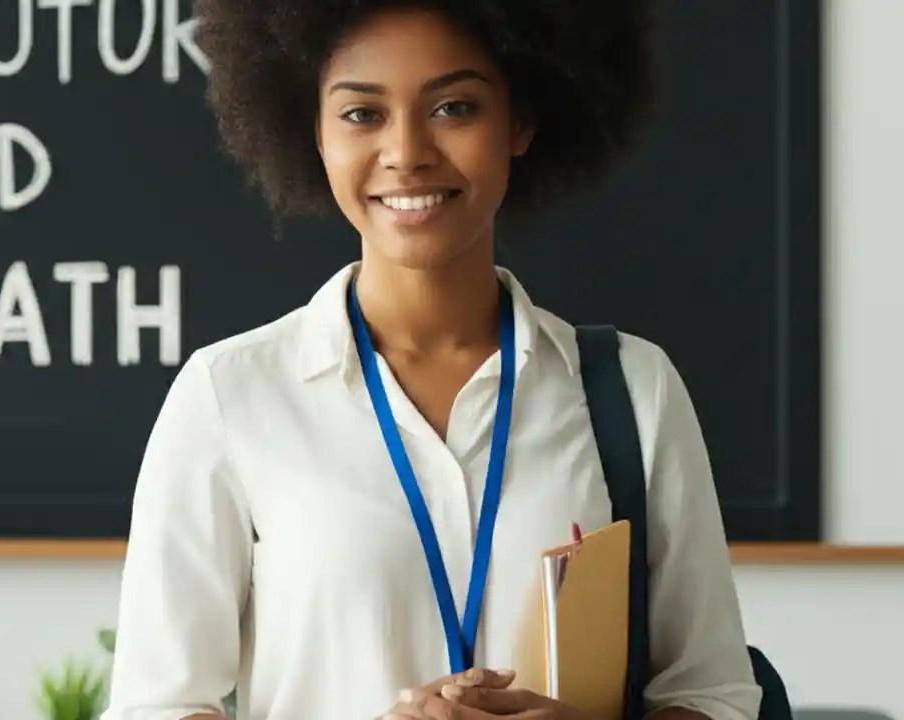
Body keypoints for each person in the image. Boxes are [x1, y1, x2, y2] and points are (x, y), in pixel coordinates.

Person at [100, 1, 762, 718]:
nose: (408, 150)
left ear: (521, 120)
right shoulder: (230, 396)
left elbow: (714, 695)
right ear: (311, 132)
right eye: (361, 114)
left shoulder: (633, 390)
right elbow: (156, 707)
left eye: (454, 106)